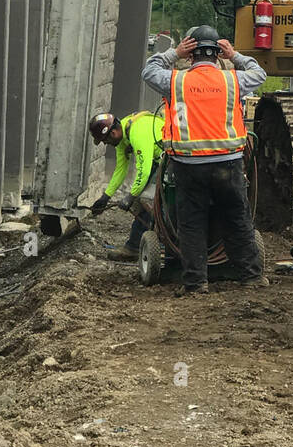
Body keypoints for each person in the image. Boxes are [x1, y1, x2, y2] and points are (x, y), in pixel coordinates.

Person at [142, 26, 268, 296]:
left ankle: (196, 283)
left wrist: (172, 52)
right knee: (238, 219)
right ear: (217, 55)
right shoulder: (233, 80)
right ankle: (251, 276)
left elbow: (149, 70)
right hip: (228, 164)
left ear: (190, 56)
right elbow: (260, 73)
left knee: (191, 223)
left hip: (188, 166)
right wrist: (236, 56)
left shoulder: (175, 81)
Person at [88, 110, 164, 260]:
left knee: (146, 200)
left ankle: (136, 247)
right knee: (144, 202)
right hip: (160, 161)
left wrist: (131, 196)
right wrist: (106, 196)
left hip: (170, 160)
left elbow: (144, 171)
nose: (106, 144)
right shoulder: (123, 135)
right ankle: (140, 244)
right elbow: (120, 169)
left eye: (105, 141)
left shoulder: (137, 132)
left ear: (113, 133)